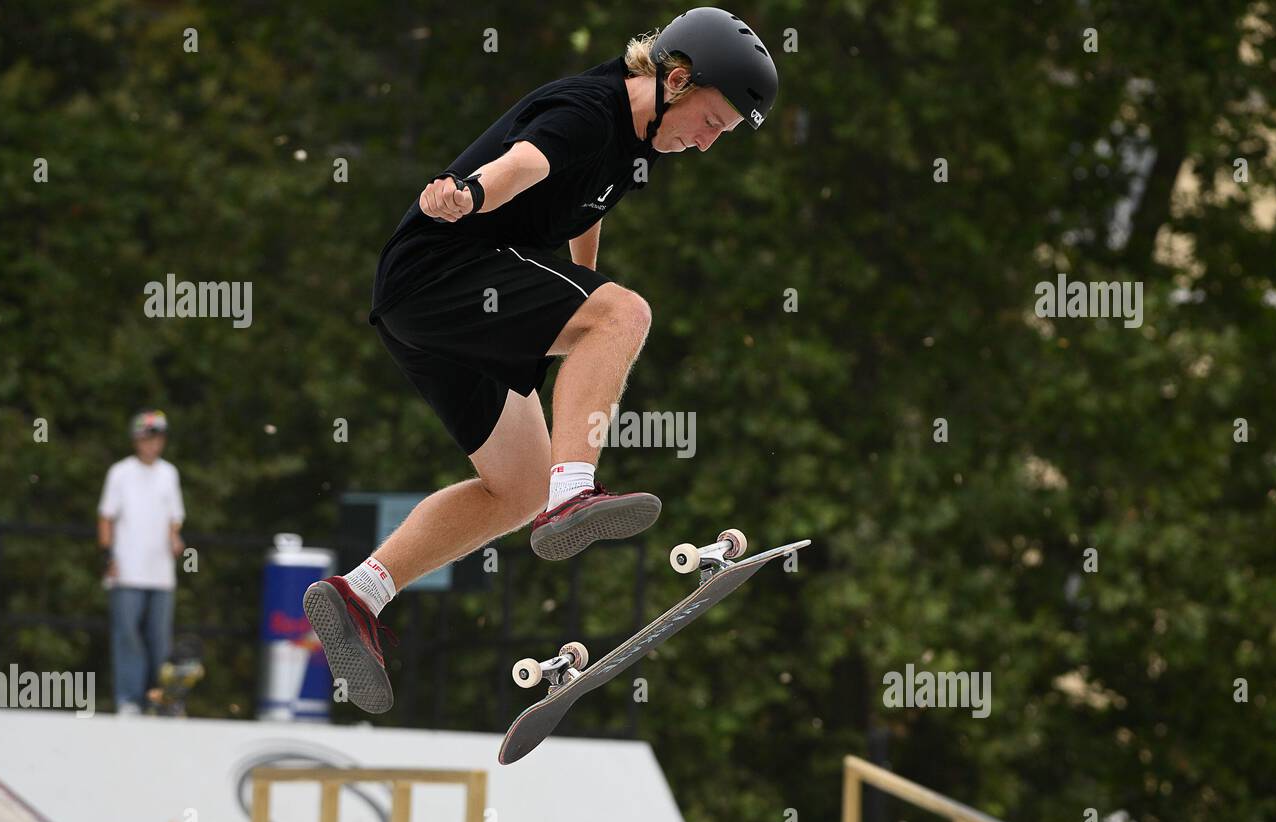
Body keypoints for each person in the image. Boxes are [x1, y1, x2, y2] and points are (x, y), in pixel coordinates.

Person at [304, 7, 779, 714]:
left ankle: (360, 593)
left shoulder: (633, 147)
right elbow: (528, 163)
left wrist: (591, 295)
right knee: (628, 313)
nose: (708, 145)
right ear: (677, 81)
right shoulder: (589, 110)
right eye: (712, 123)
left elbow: (586, 209)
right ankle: (575, 496)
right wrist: (468, 194)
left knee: (516, 486)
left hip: (422, 309)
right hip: (448, 272)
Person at [97, 410, 186, 715]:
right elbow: (106, 517)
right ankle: (129, 698)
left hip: (160, 572)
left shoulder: (169, 473)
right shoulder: (120, 473)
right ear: (137, 440)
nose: (151, 444)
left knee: (160, 640)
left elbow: (175, 518)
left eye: (157, 438)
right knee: (128, 636)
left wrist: (175, 538)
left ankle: (161, 699)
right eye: (146, 438)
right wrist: (108, 555)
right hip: (127, 570)